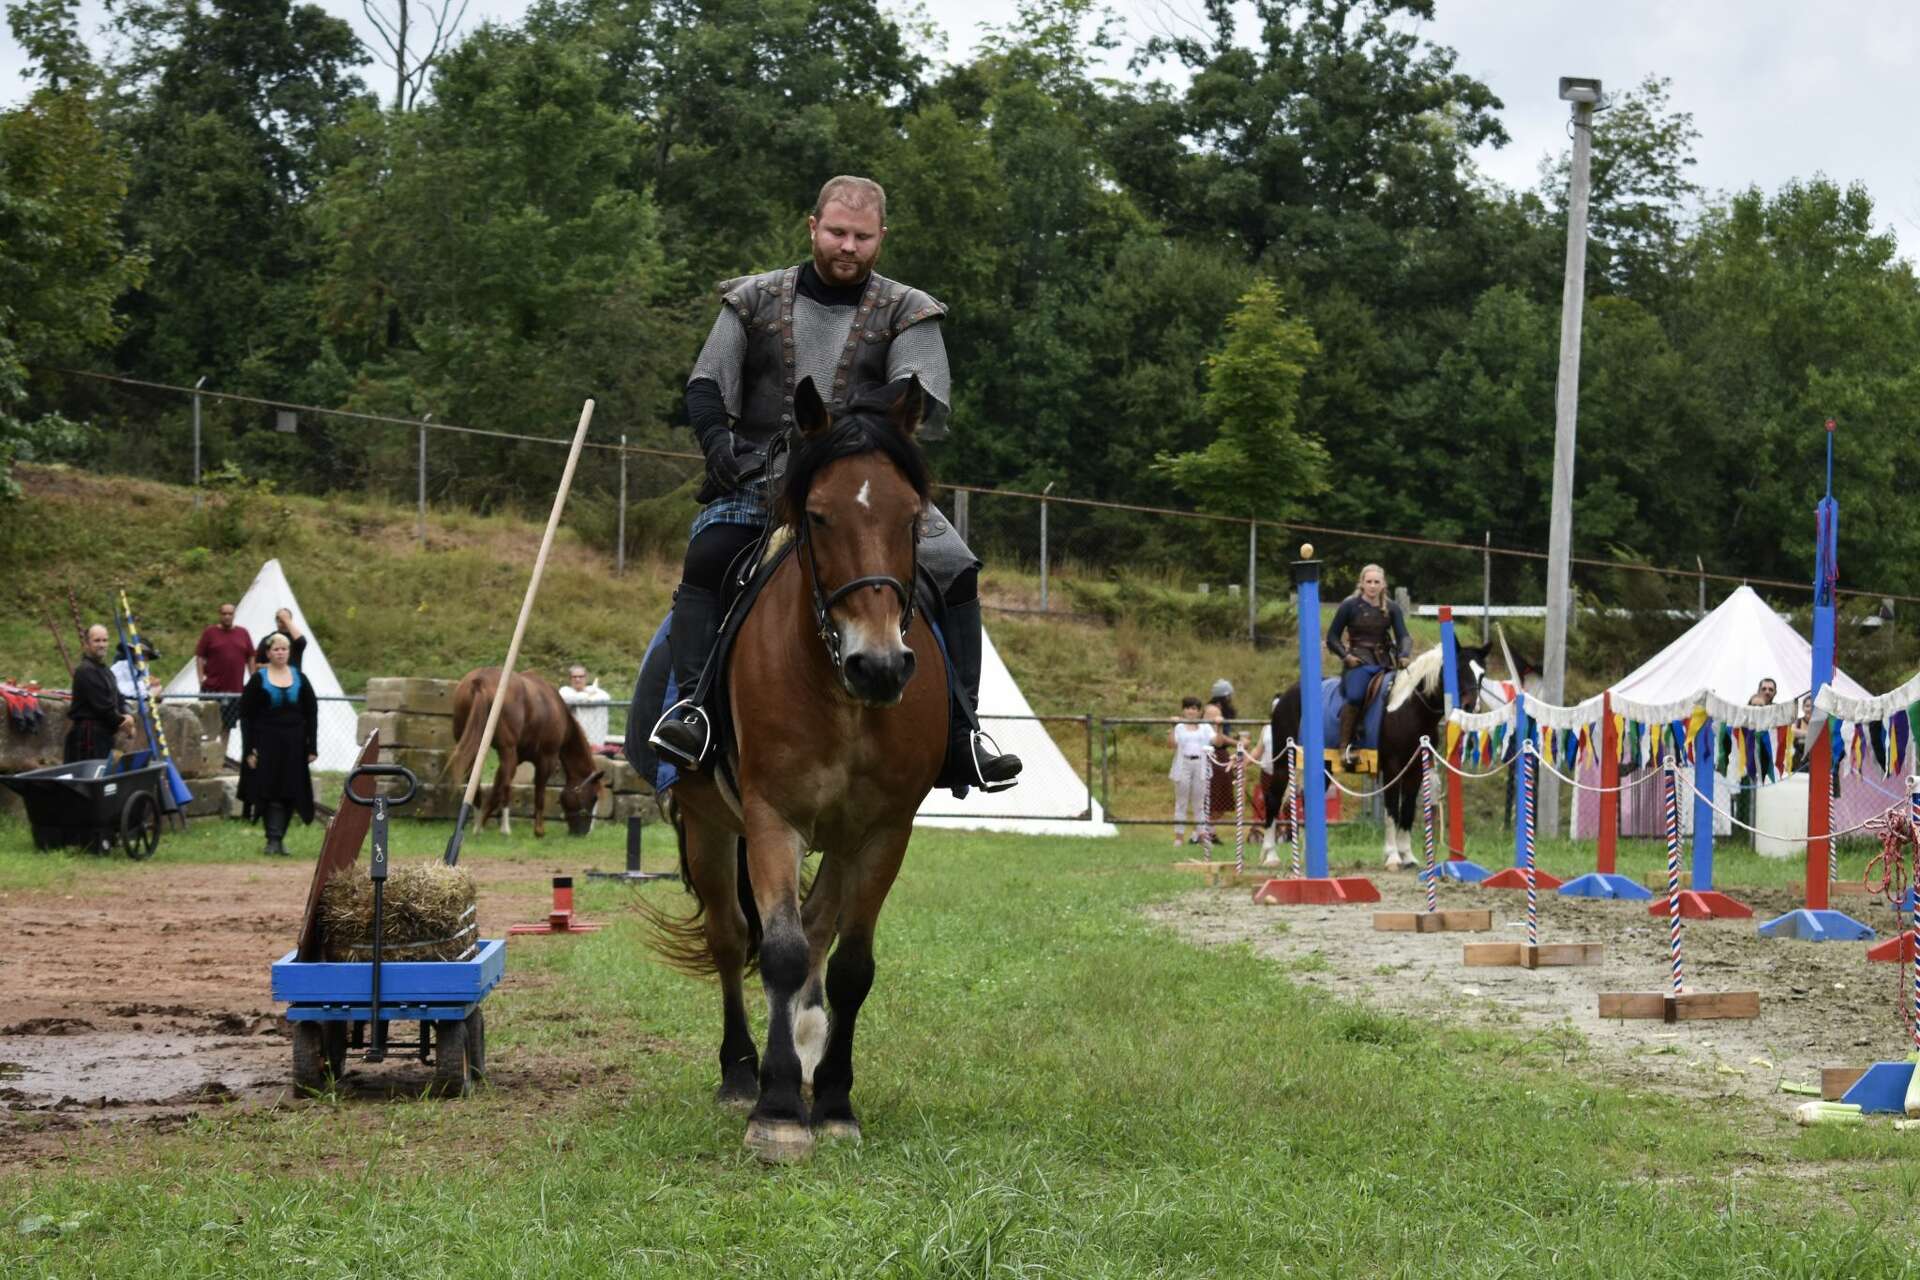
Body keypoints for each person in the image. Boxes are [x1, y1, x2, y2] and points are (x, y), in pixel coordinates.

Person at [648, 174, 1020, 794]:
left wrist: (844, 436)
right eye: (838, 232)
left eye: (862, 237)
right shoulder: (753, 299)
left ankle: (962, 733)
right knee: (709, 555)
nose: (848, 246)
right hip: (765, 477)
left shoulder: (908, 309)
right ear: (813, 227)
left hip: (870, 488)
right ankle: (695, 713)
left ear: (881, 239)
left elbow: (913, 394)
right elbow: (707, 385)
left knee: (956, 569)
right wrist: (718, 446)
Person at [238, 633, 317, 856]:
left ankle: (280, 839)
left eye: (284, 649)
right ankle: (272, 839)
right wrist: (249, 750)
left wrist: (312, 747)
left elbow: (311, 712)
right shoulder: (258, 679)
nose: (280, 653)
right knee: (269, 789)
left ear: (289, 652)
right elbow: (246, 716)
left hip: (294, 743)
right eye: (276, 649)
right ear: (268, 653)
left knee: (291, 789)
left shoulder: (300, 678)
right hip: (266, 743)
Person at [1325, 564, 1411, 767]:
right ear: (1362, 583)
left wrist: (1405, 654)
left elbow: (1404, 636)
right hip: (1358, 662)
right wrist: (1346, 657)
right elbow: (1332, 637)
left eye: (1376, 582)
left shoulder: (1392, 607)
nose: (1372, 586)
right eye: (1369, 582)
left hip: (1384, 663)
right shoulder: (1349, 605)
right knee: (1355, 696)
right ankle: (1345, 745)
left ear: (1383, 585)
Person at [64, 625, 133, 763]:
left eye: (105, 640)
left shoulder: (106, 671)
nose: (102, 645)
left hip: (104, 735)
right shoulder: (85, 671)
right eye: (97, 641)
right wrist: (124, 723)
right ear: (86, 644)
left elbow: (119, 698)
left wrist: (129, 715)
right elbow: (103, 707)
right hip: (88, 737)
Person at [195, 602, 255, 753]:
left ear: (234, 615)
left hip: (234, 689)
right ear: (219, 615)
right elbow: (200, 656)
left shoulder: (243, 633)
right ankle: (208, 755)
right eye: (224, 613)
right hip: (212, 688)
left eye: (230, 614)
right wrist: (201, 678)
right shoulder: (210, 632)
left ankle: (221, 756)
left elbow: (250, 656)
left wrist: (253, 678)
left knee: (227, 725)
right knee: (209, 724)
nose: (227, 616)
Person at [1168, 697, 1214, 847]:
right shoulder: (1179, 727)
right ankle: (1179, 837)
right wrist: (1172, 727)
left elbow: (1217, 741)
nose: (1191, 711)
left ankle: (1201, 835)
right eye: (1188, 708)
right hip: (1183, 764)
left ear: (1199, 711)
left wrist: (1219, 727)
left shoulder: (1205, 727)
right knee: (1181, 801)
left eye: (1194, 708)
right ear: (1183, 710)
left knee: (1199, 803)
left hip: (1200, 763)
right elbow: (1171, 745)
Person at [558, 664, 610, 744]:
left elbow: (606, 697)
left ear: (586, 678)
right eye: (574, 677)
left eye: (581, 676)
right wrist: (589, 695)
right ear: (570, 679)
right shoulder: (565, 690)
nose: (577, 679)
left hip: (594, 734)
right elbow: (572, 698)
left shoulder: (592, 690)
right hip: (574, 734)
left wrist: (587, 696)